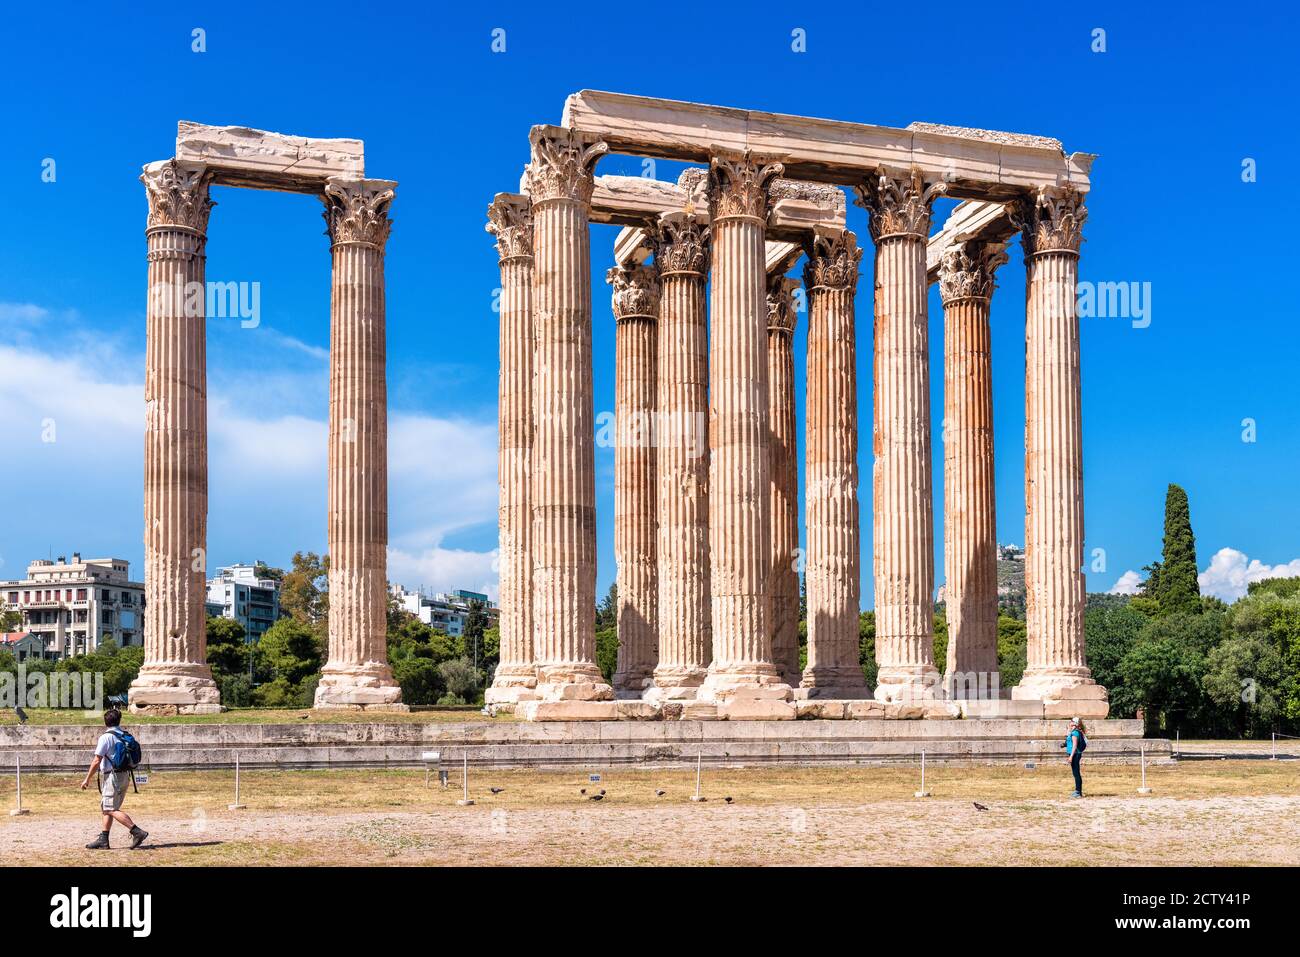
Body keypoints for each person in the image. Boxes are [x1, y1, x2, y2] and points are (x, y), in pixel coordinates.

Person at [80, 708, 148, 849]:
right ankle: (104, 839)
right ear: (119, 720)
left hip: (113, 776)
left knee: (111, 808)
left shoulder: (106, 737)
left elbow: (96, 760)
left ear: (105, 722)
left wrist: (87, 779)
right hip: (125, 775)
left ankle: (137, 831)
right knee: (107, 807)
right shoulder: (123, 734)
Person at [1065, 717, 1087, 798]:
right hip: (1076, 754)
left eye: (1071, 721)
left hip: (1075, 754)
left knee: (1076, 773)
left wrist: (1071, 756)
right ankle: (1078, 791)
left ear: (1075, 723)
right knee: (1076, 772)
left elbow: (1074, 746)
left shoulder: (1075, 733)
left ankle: (1078, 792)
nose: (1070, 722)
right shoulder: (1074, 732)